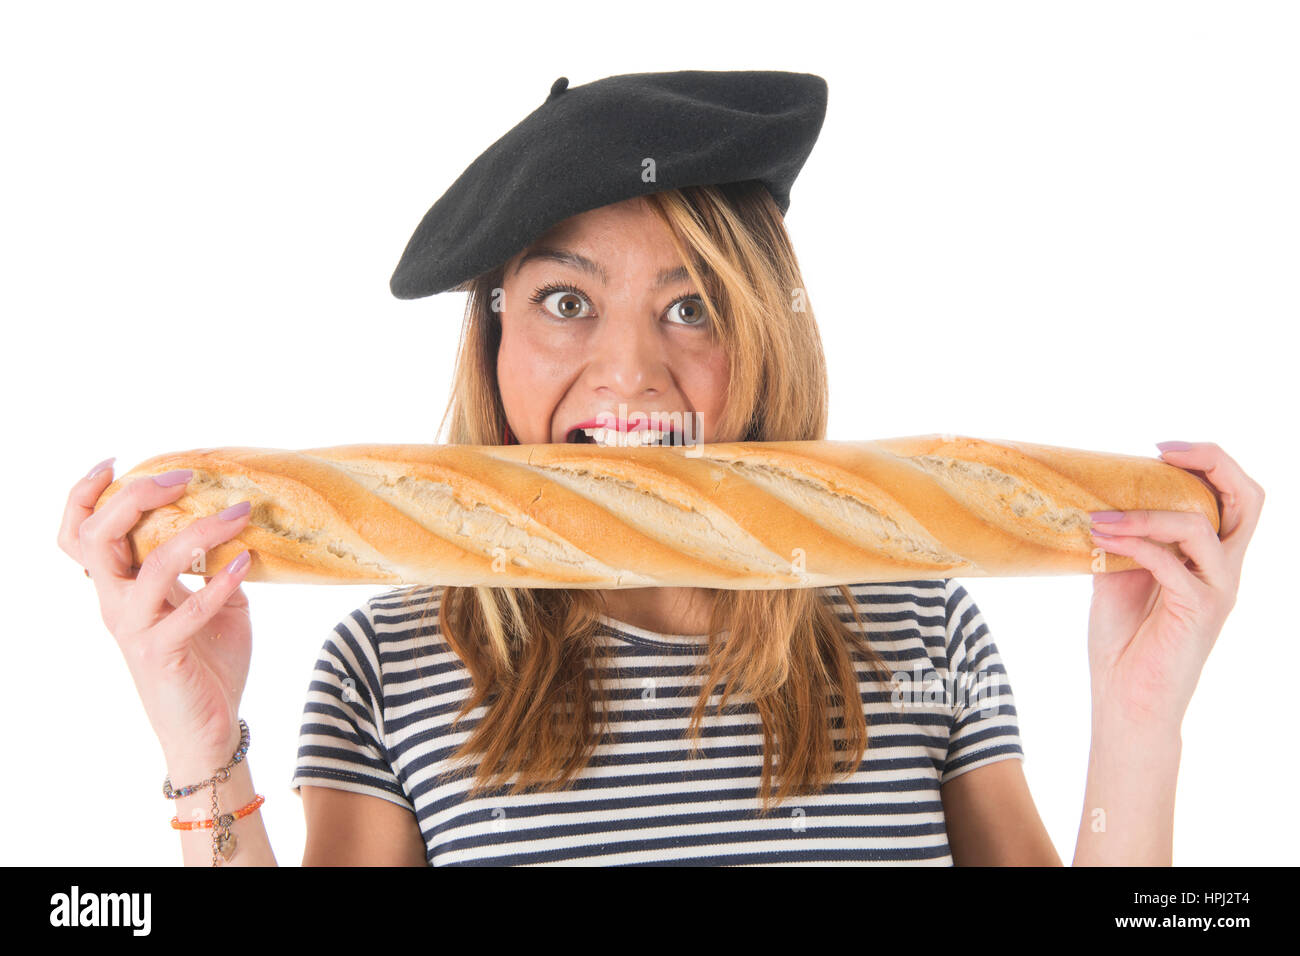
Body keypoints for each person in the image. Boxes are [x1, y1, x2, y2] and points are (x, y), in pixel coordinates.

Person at [58, 72, 1265, 866]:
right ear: (491, 339)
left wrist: (1138, 718)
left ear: (766, 337)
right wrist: (200, 738)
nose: (628, 374)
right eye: (566, 300)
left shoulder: (915, 619)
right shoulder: (393, 663)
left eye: (692, 306)